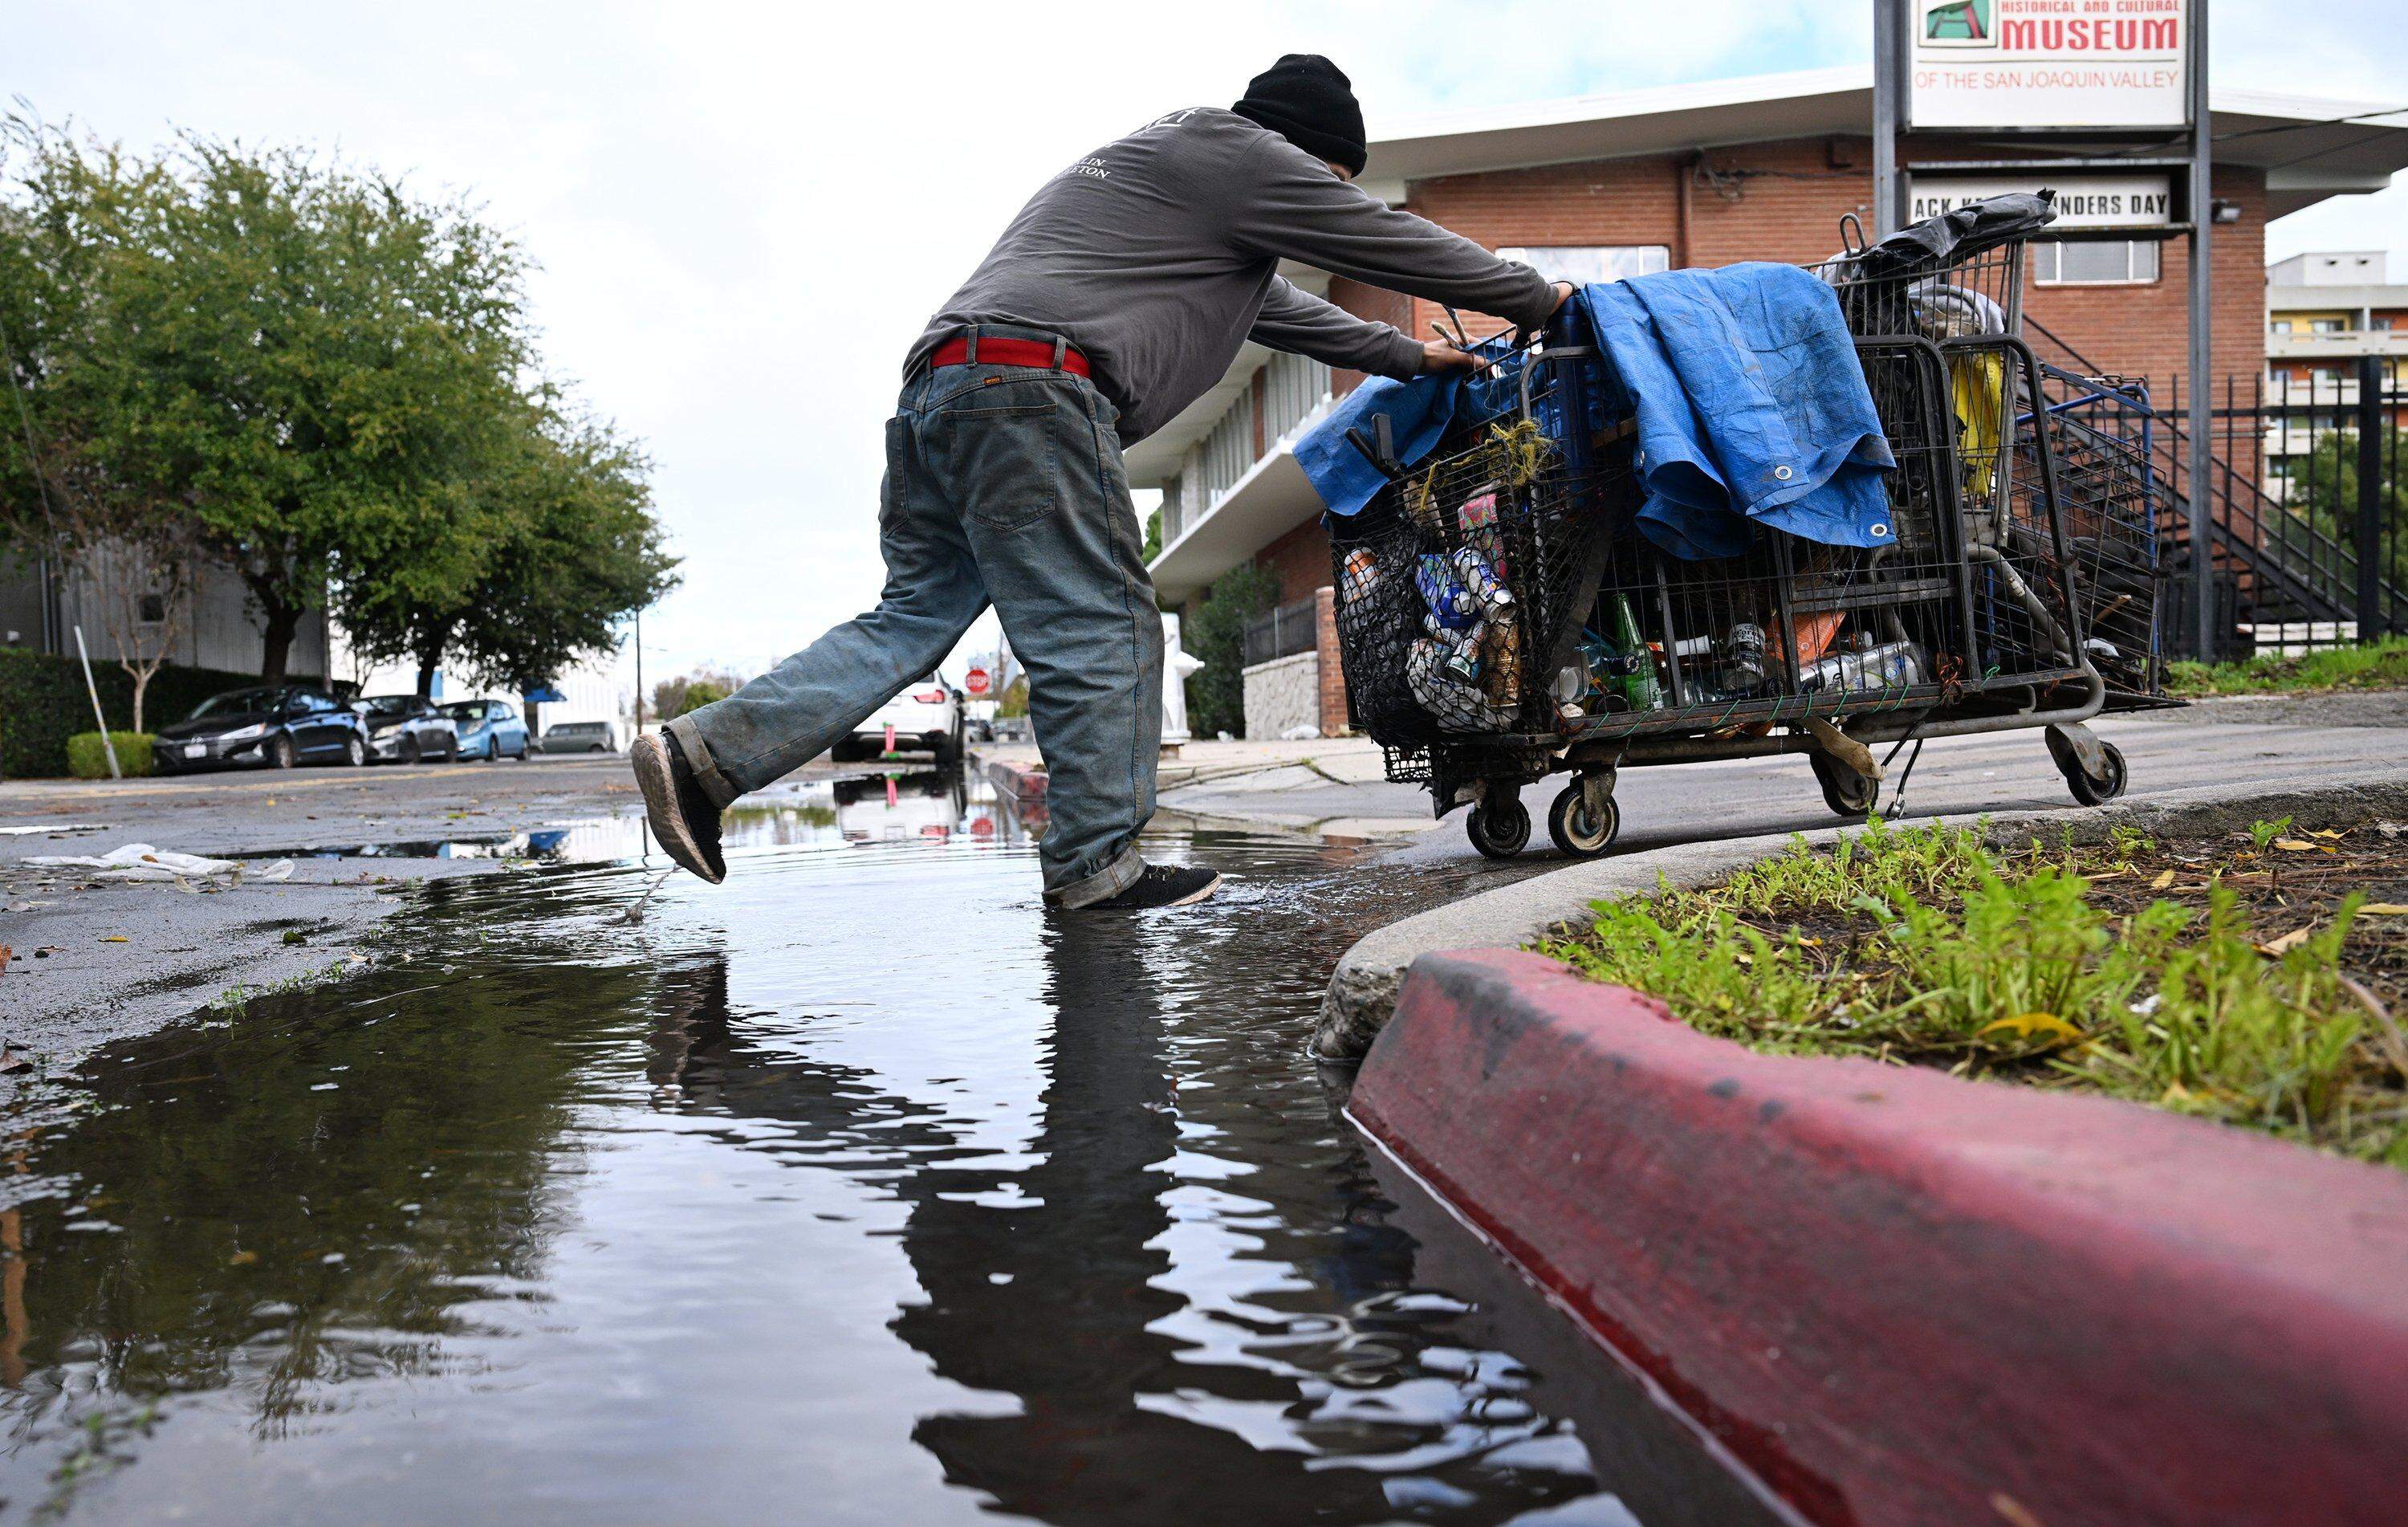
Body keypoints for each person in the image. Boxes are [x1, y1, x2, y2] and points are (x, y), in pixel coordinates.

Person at [633, 54, 1571, 910]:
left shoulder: (1172, 177)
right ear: (1309, 152)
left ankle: (702, 757)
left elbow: (1292, 315)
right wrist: (1538, 298)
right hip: (1032, 391)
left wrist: (1413, 357)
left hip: (943, 389)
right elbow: (1383, 240)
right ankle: (1097, 865)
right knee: (1107, 624)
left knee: (910, 620)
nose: (1323, 200)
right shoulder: (1244, 154)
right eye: (1328, 182)